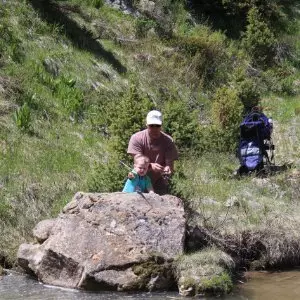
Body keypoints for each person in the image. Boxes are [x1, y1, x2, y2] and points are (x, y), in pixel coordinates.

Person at [127, 110, 178, 195]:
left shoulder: (168, 141)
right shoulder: (136, 138)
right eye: (151, 126)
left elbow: (170, 165)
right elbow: (137, 161)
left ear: (161, 125)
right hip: (139, 179)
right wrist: (150, 166)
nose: (154, 129)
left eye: (157, 126)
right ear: (146, 125)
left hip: (159, 180)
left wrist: (167, 169)